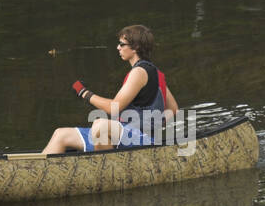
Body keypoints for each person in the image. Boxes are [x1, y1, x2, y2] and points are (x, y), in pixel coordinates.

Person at [41, 25, 180, 154]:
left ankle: (109, 173)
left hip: (139, 140)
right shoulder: (156, 73)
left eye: (122, 44)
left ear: (136, 47)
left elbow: (115, 107)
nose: (118, 48)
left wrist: (84, 92)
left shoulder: (139, 72)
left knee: (100, 126)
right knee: (61, 134)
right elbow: (173, 109)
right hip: (126, 136)